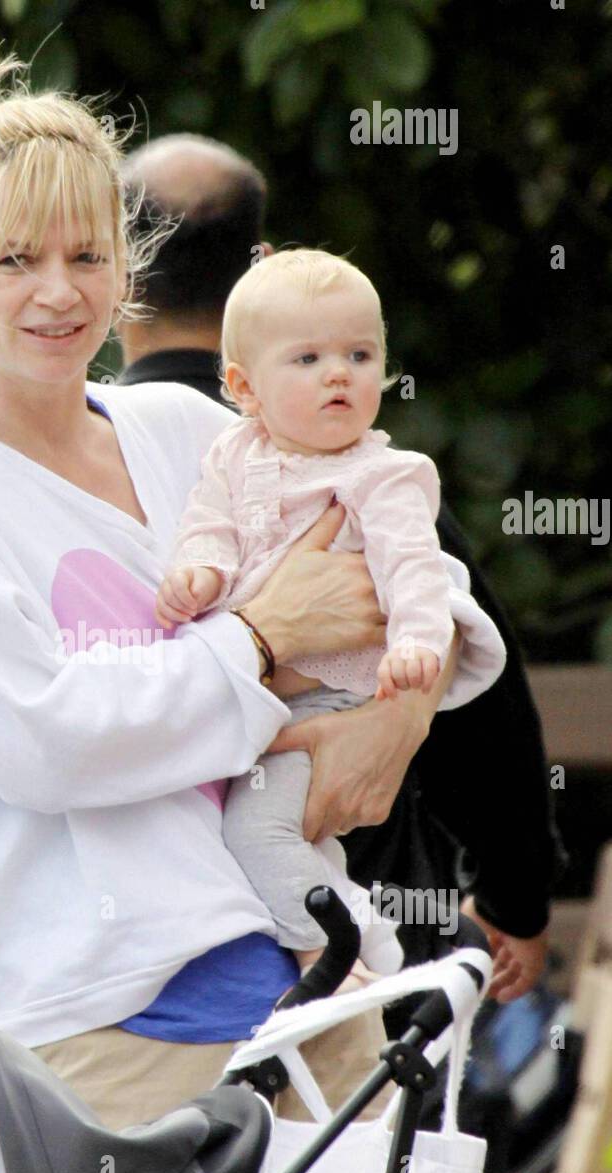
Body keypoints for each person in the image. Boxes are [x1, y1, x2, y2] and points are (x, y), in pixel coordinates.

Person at [0, 38, 503, 1135]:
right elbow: (45, 742)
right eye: (14, 261)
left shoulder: (190, 429)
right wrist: (253, 639)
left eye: (87, 254)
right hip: (85, 1031)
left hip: (308, 980)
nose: (59, 292)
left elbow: (420, 576)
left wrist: (393, 720)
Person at [119, 134, 564, 1004]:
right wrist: (517, 898)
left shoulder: (92, 462)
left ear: (118, 281)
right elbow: (491, 718)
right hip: (372, 905)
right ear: (264, 262)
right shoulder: (328, 452)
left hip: (141, 949)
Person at [157, 246, 491, 979]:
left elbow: (413, 570)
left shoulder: (383, 474)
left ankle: (331, 948)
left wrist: (414, 644)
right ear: (243, 386)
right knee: (265, 831)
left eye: (359, 353)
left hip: (336, 694)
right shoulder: (230, 455)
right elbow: (208, 523)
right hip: (255, 699)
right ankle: (353, 929)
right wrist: (201, 572)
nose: (338, 372)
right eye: (306, 358)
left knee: (254, 829)